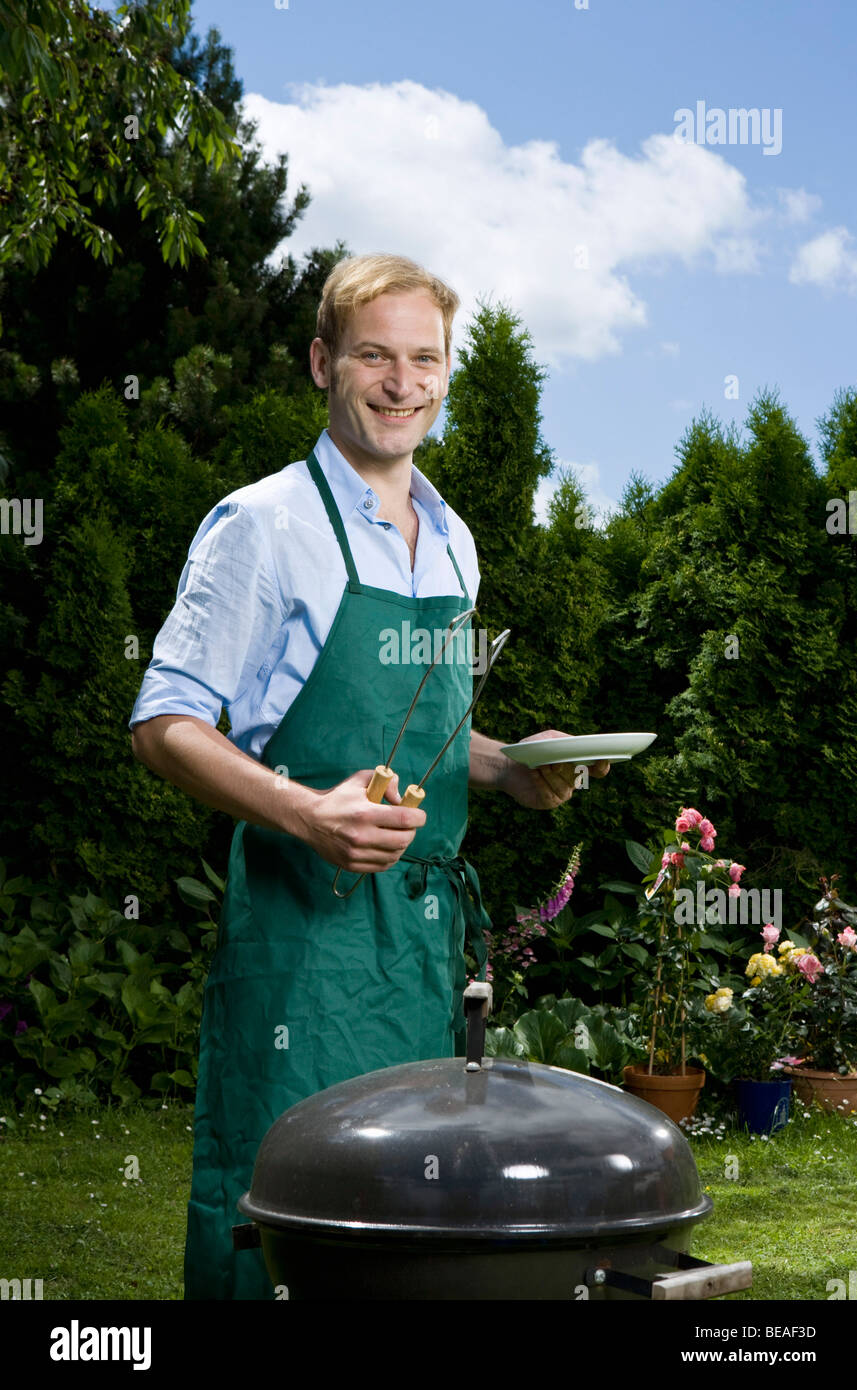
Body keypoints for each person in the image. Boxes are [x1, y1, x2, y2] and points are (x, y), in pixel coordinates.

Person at [129, 252, 609, 1299]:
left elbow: (425, 741)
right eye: (373, 356)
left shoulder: (453, 543)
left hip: (425, 942)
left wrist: (513, 770)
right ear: (321, 363)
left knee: (413, 1212)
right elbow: (162, 721)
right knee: (282, 1196)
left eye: (425, 358)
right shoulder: (261, 525)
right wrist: (305, 812)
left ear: (448, 371)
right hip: (308, 937)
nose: (402, 383)